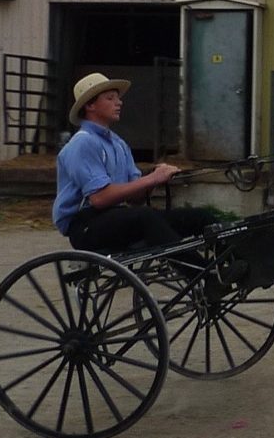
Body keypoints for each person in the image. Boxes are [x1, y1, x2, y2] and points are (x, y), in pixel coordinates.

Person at [53, 73, 243, 286]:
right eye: (110, 98)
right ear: (90, 106)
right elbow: (99, 198)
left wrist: (157, 178)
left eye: (118, 97)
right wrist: (151, 178)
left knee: (200, 217)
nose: (119, 102)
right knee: (146, 217)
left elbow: (136, 199)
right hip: (86, 226)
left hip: (118, 217)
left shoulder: (118, 144)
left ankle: (239, 263)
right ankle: (206, 278)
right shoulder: (82, 144)